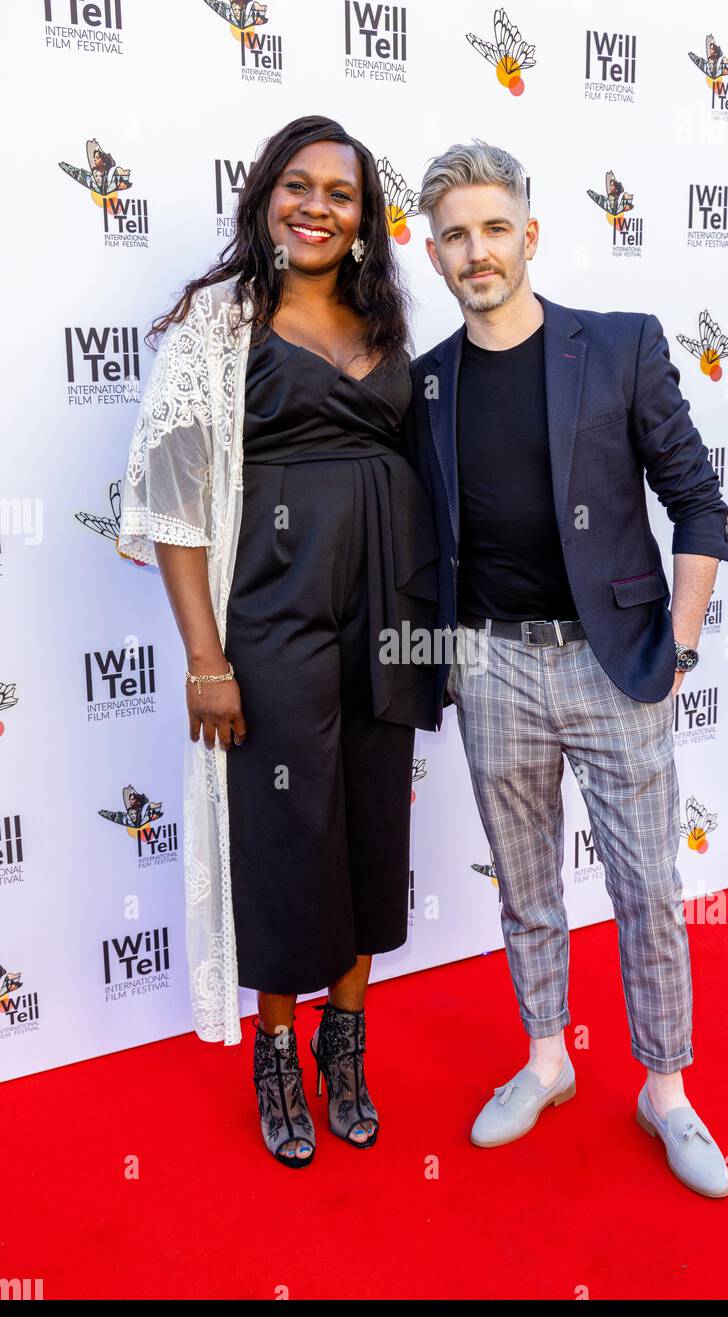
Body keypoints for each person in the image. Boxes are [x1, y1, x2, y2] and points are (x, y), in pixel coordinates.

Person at [404, 140, 728, 1199]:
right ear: (433, 251)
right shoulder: (425, 386)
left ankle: (665, 1088)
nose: (476, 250)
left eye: (494, 227)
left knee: (646, 887)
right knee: (527, 887)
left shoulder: (618, 347)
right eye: (454, 234)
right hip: (491, 666)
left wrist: (678, 641)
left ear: (529, 234)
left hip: (610, 660)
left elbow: (699, 501)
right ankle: (546, 1059)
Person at [119, 115, 439, 1168]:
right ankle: (275, 1051)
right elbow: (174, 506)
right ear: (264, 200)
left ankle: (346, 1052)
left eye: (338, 194)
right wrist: (207, 659)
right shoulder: (221, 323)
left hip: (384, 617)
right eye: (295, 187)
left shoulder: (386, 322)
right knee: (282, 838)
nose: (315, 206)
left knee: (364, 837)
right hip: (270, 614)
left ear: (363, 219)